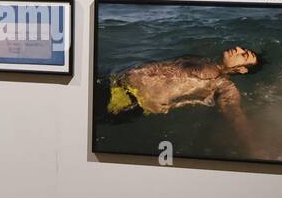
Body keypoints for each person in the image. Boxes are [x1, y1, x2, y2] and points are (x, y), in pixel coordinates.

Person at [97, 46, 263, 134]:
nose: (239, 48)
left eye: (244, 54)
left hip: (128, 101)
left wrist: (254, 148)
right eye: (243, 49)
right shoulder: (201, 60)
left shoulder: (225, 86)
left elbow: (235, 115)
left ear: (242, 70)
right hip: (116, 81)